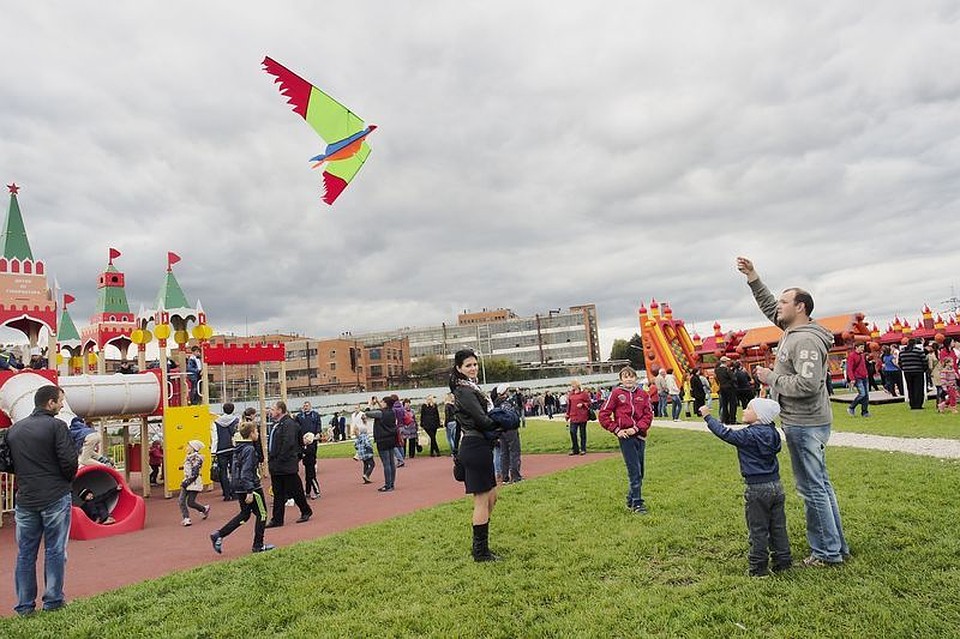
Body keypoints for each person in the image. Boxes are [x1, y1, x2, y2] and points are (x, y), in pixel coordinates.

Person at [737, 256, 849, 566]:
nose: (779, 305)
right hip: (805, 421)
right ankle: (836, 546)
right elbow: (767, 306)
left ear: (800, 307)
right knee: (821, 484)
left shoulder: (807, 342)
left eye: (785, 301)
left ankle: (827, 553)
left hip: (805, 424)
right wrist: (753, 277)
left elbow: (807, 385)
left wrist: (769, 377)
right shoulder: (792, 330)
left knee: (812, 488)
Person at [699, 398, 792, 576]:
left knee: (757, 529)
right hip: (776, 485)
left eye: (749, 408)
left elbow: (726, 434)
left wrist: (708, 417)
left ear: (759, 416)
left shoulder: (749, 435)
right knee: (778, 526)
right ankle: (783, 561)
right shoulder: (772, 432)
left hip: (757, 488)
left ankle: (758, 569)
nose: (744, 409)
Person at [7, 385, 78, 615]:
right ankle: (53, 601)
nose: (61, 405)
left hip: (26, 497)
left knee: (25, 553)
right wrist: (65, 481)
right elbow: (69, 461)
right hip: (54, 494)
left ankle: (25, 606)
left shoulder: (14, 430)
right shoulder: (57, 426)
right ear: (50, 403)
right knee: (55, 549)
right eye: (60, 401)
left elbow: (6, 461)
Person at [451, 349, 501, 561]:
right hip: (474, 444)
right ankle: (480, 551)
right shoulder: (463, 390)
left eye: (474, 364)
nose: (473, 368)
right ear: (459, 369)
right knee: (481, 500)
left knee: (492, 496)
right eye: (468, 365)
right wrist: (501, 422)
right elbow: (481, 419)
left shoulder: (472, 388)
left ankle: (481, 544)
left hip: (480, 444)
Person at [210, 421, 275, 554]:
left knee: (245, 515)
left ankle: (219, 534)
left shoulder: (238, 448)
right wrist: (250, 491)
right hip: (251, 487)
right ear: (251, 434)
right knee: (262, 514)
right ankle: (258, 545)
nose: (257, 434)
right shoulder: (249, 449)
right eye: (256, 431)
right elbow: (246, 471)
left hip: (239, 486)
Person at [599, 366, 654, 514]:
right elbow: (604, 414)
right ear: (621, 379)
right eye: (625, 376)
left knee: (640, 472)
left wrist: (636, 428)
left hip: (640, 435)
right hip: (626, 438)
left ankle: (630, 500)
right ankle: (637, 504)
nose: (628, 379)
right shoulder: (616, 393)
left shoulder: (643, 394)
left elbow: (648, 415)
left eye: (631, 376)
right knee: (634, 471)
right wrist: (617, 429)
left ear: (635, 378)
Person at [265, 401, 312, 527]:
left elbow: (288, 443)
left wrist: (279, 459)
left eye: (273, 409)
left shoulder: (289, 424)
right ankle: (277, 519)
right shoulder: (278, 424)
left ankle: (306, 510)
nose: (270, 411)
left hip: (286, 465)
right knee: (278, 492)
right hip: (277, 464)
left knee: (295, 490)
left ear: (280, 410)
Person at [366, 396, 399, 492]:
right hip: (391, 438)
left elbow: (367, 413)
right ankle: (391, 484)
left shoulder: (380, 413)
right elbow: (383, 409)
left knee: (386, 464)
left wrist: (369, 404)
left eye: (382, 402)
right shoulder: (392, 412)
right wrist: (378, 403)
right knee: (392, 462)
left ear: (385, 403)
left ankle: (387, 485)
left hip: (382, 440)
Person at [494, 384, 522, 484]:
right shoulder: (508, 403)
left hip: (502, 429)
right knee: (514, 452)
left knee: (504, 453)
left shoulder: (497, 403)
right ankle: (515, 476)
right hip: (510, 429)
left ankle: (504, 477)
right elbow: (514, 413)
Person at [178, 440, 210, 527]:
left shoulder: (196, 458)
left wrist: (187, 482)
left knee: (190, 502)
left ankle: (203, 509)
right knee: (181, 500)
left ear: (193, 448)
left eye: (189, 446)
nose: (187, 448)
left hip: (193, 483)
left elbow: (195, 472)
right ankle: (186, 518)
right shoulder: (189, 457)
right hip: (188, 481)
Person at [211, 403, 239, 500]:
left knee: (223, 471)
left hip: (221, 449)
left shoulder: (216, 422)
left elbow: (215, 438)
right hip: (232, 448)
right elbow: (237, 434)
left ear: (223, 410)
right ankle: (234, 492)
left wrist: (213, 451)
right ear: (233, 409)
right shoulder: (236, 420)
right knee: (234, 470)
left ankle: (226, 494)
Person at [296, 401, 322, 499]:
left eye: (307, 406)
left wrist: (318, 433)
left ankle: (316, 491)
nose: (305, 407)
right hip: (303, 444)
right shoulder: (299, 416)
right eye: (304, 406)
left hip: (312, 443)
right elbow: (297, 427)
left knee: (310, 471)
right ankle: (307, 492)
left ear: (310, 406)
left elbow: (318, 425)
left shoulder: (315, 415)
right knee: (307, 469)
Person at [898, 338, 928, 410]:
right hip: (918, 371)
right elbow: (924, 361)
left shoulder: (902, 352)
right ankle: (918, 404)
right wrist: (924, 369)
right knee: (919, 388)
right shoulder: (919, 351)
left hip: (907, 372)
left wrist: (904, 368)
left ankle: (912, 404)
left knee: (910, 388)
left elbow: (899, 362)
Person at [565, 380, 591, 455]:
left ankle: (583, 449)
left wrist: (583, 404)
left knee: (582, 433)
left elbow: (589, 403)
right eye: (571, 384)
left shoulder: (584, 394)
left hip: (582, 415)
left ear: (577, 385)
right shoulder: (571, 394)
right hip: (573, 416)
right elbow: (569, 405)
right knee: (572, 432)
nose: (572, 386)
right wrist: (567, 414)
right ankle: (575, 449)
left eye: (573, 384)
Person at [845, 343, 871, 417]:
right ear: (856, 347)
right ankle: (851, 407)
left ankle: (865, 412)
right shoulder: (852, 356)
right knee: (862, 394)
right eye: (861, 347)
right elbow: (849, 368)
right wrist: (852, 378)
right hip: (857, 377)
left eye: (863, 347)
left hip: (864, 377)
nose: (863, 349)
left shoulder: (862, 355)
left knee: (866, 396)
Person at [938, 337, 959, 414]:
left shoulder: (953, 351)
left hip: (954, 373)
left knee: (953, 394)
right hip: (948, 375)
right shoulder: (943, 352)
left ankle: (942, 405)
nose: (954, 343)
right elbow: (943, 362)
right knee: (952, 394)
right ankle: (952, 407)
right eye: (953, 342)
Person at [715, 357, 738, 424]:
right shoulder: (727, 369)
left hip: (722, 387)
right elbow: (734, 379)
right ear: (725, 362)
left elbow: (717, 378)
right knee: (732, 403)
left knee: (724, 404)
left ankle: (726, 419)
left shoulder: (717, 370)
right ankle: (732, 419)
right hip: (729, 388)